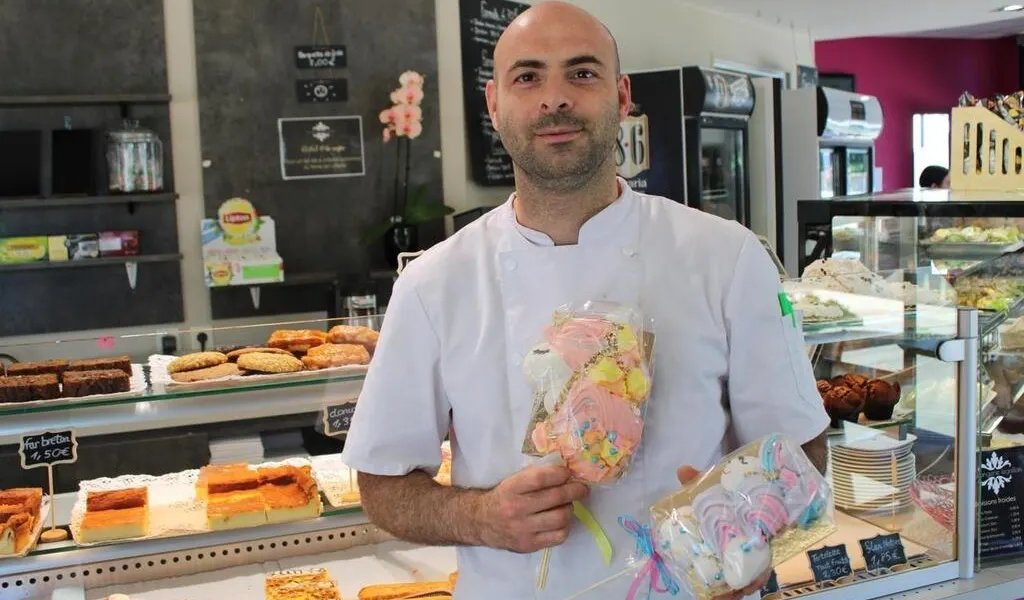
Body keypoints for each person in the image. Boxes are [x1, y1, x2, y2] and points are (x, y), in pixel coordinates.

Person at [341, 2, 830, 599]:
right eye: (527, 77)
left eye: (582, 73)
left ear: (622, 97)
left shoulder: (726, 258)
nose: (554, 99)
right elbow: (383, 484)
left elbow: (799, 448)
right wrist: (480, 517)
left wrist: (748, 543)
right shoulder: (433, 284)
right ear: (494, 106)